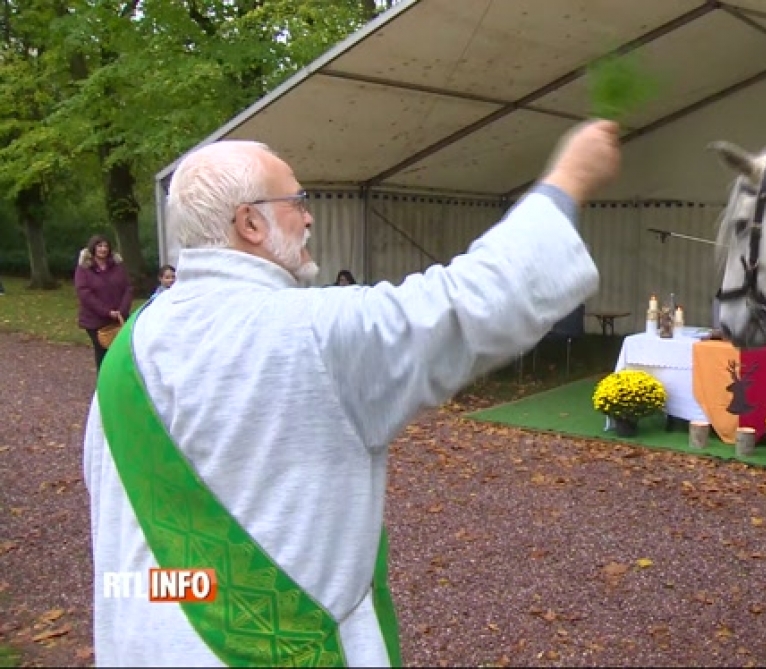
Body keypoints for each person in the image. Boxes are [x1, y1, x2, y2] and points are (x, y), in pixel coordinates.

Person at [82, 119, 620, 666]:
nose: (309, 215)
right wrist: (569, 178)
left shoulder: (130, 348)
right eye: (296, 201)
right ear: (249, 223)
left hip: (139, 640)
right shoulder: (314, 332)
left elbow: (125, 540)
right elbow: (474, 303)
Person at [74, 234, 133, 372]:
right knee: (103, 352)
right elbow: (84, 294)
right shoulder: (84, 269)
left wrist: (122, 310)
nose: (103, 249)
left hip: (119, 317)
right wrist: (106, 312)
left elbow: (128, 287)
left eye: (106, 246)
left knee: (121, 352)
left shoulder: (117, 266)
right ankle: (103, 384)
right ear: (93, 248)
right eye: (99, 246)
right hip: (96, 320)